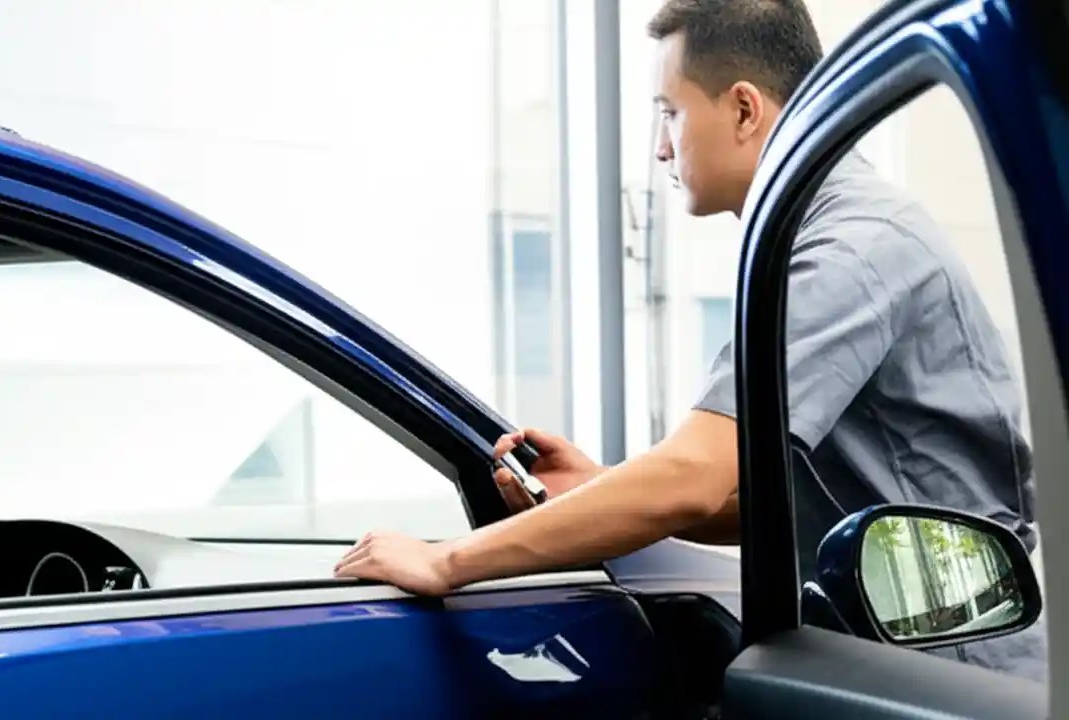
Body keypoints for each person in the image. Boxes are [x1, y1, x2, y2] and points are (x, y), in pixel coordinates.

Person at [334, 0, 1043, 681]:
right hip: (905, 657)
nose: (663, 147)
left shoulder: (850, 249)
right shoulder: (823, 230)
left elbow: (698, 476)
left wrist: (447, 561)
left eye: (670, 114)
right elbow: (760, 500)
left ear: (742, 108)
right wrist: (602, 487)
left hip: (950, 671)